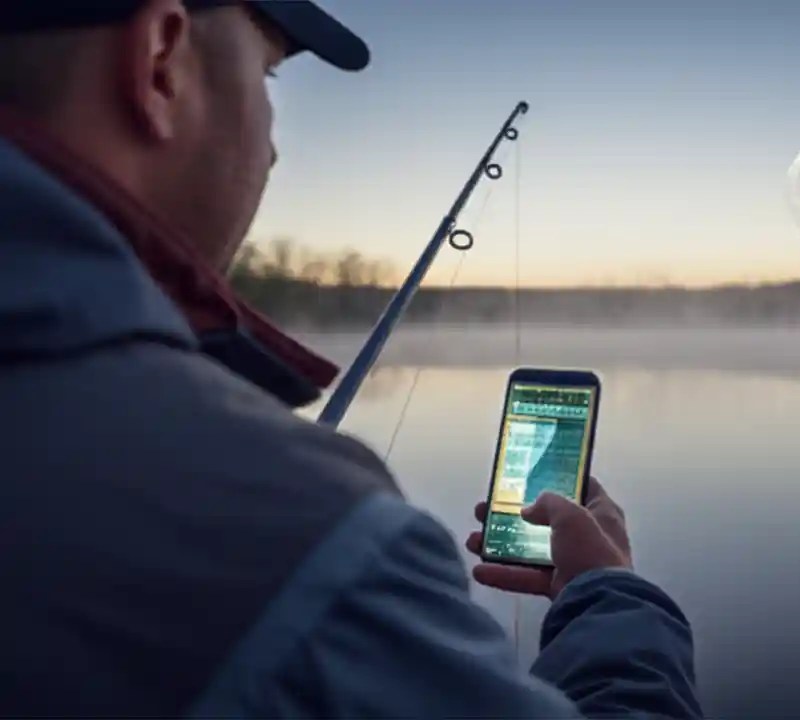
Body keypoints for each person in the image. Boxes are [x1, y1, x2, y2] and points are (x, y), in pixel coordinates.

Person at [0, 1, 700, 717]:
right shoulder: (297, 535)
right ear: (159, 60)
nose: (272, 150)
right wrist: (612, 593)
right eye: (268, 74)